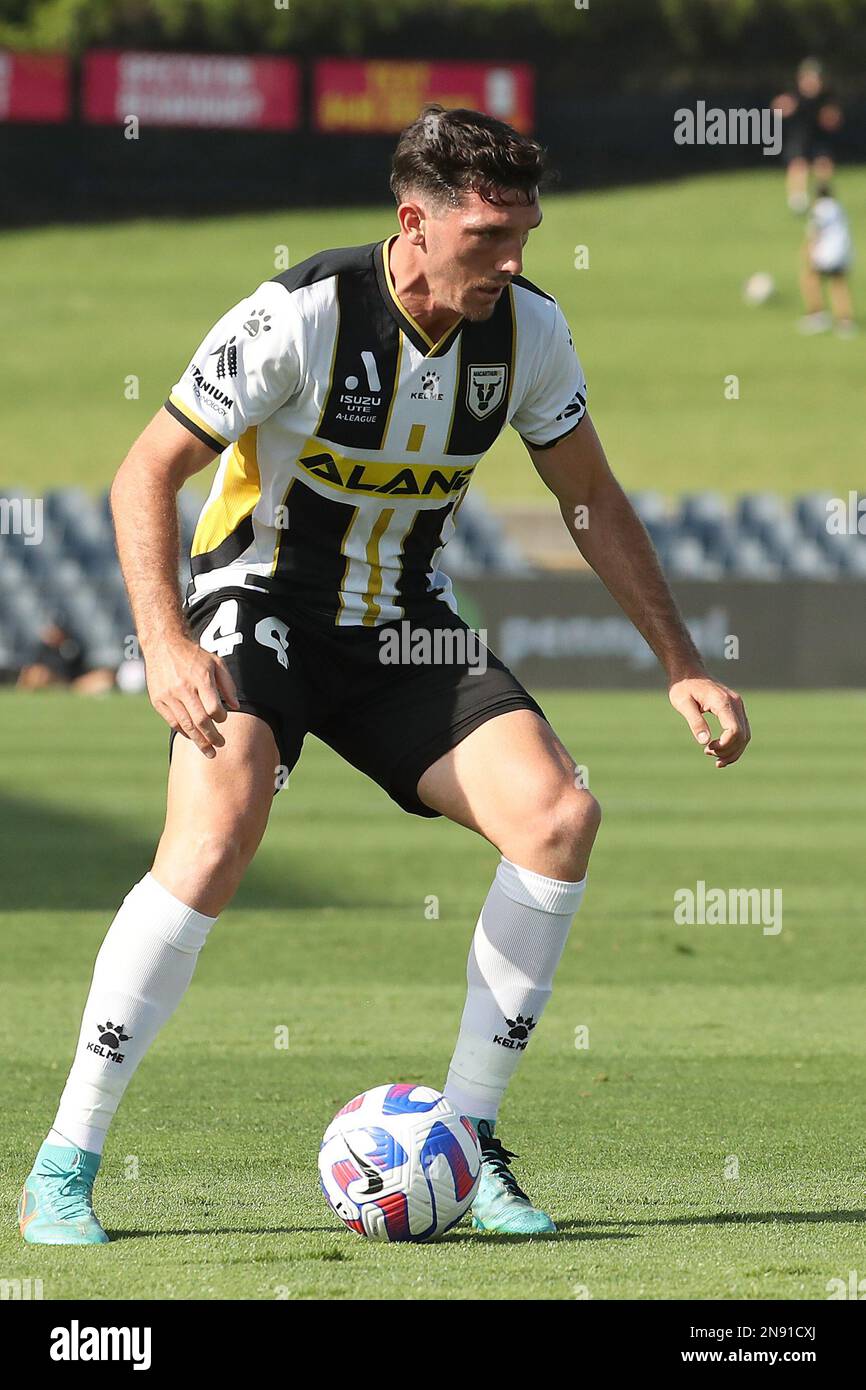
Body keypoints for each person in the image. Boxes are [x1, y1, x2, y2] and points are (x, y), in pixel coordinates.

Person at [18, 105, 750, 1246]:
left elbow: (589, 500)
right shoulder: (301, 313)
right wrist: (164, 642)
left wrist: (680, 665)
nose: (511, 262)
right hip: (256, 605)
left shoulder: (529, 334)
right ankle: (67, 1156)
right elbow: (143, 471)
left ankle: (465, 1145)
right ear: (413, 222)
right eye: (487, 238)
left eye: (524, 236)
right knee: (216, 831)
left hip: (402, 624)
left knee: (558, 819)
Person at [773, 58, 843, 213]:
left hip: (819, 138)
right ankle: (798, 201)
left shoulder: (826, 97)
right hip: (799, 137)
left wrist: (829, 117)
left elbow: (834, 119)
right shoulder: (794, 94)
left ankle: (824, 199)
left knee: (823, 164)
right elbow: (778, 106)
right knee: (798, 165)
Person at [798, 183, 856, 336]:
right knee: (838, 284)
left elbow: (816, 230)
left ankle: (816, 315)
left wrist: (808, 250)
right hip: (843, 251)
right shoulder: (837, 207)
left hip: (827, 253)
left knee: (809, 279)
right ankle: (845, 322)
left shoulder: (819, 209)